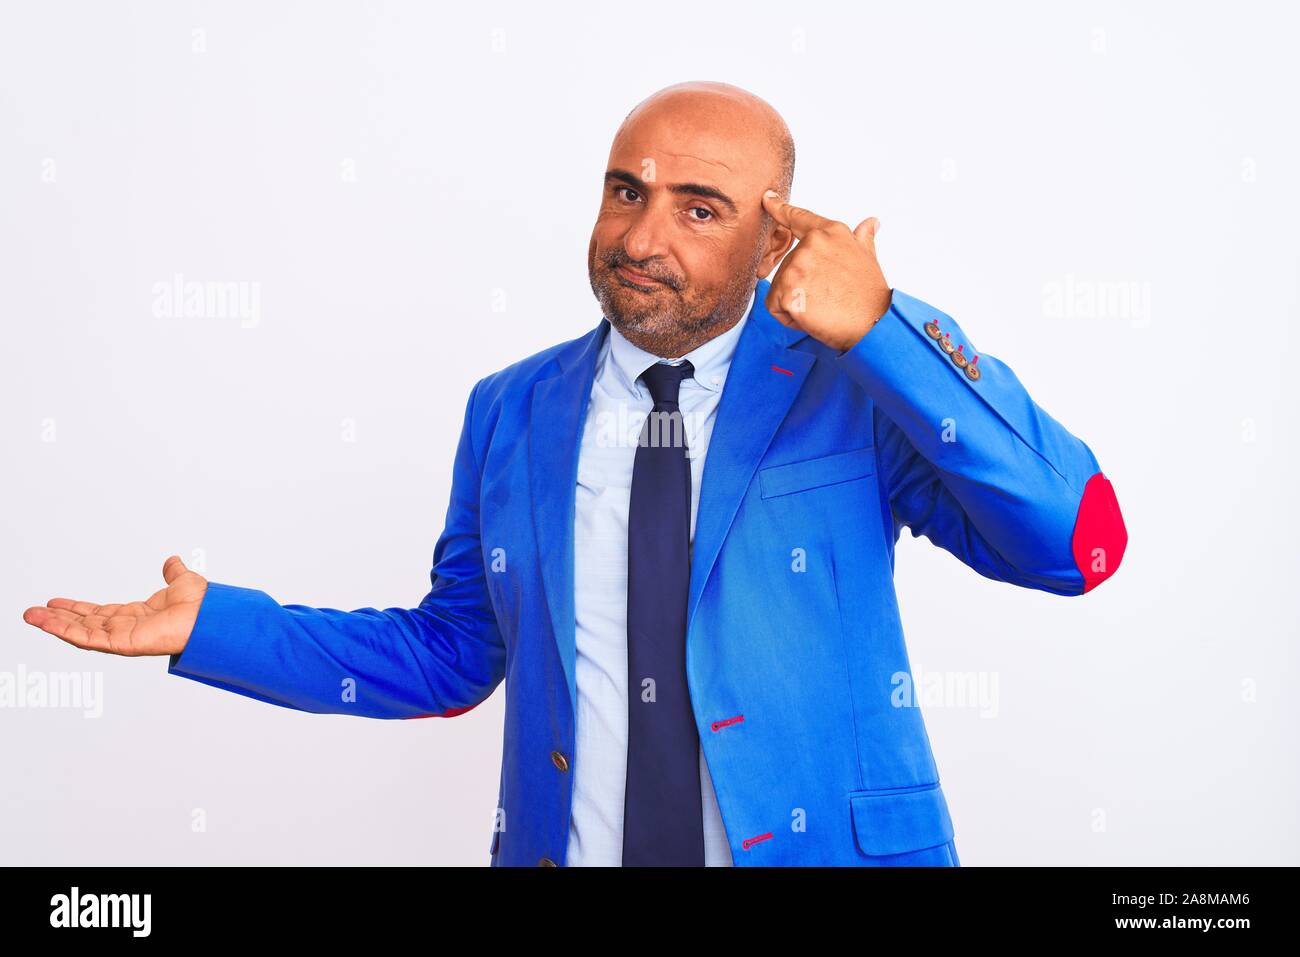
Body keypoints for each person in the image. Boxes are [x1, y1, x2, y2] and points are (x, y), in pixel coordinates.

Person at [22, 81, 1127, 867]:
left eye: (699, 207)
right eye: (624, 191)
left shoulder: (849, 388)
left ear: (774, 239)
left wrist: (886, 329)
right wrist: (215, 625)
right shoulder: (512, 407)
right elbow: (454, 654)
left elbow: (1077, 546)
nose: (641, 235)